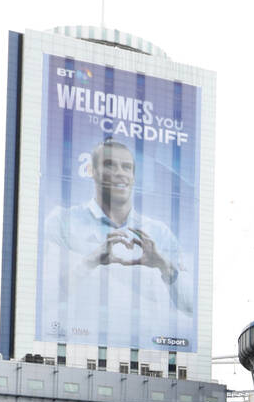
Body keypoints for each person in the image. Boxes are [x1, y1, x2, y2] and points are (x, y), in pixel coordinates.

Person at [40, 138, 193, 348]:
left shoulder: (160, 233)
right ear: (91, 170)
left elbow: (190, 307)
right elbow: (43, 296)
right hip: (75, 346)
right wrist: (89, 262)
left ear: (133, 176)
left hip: (147, 352)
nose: (121, 173)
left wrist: (163, 265)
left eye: (127, 167)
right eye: (110, 165)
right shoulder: (61, 222)